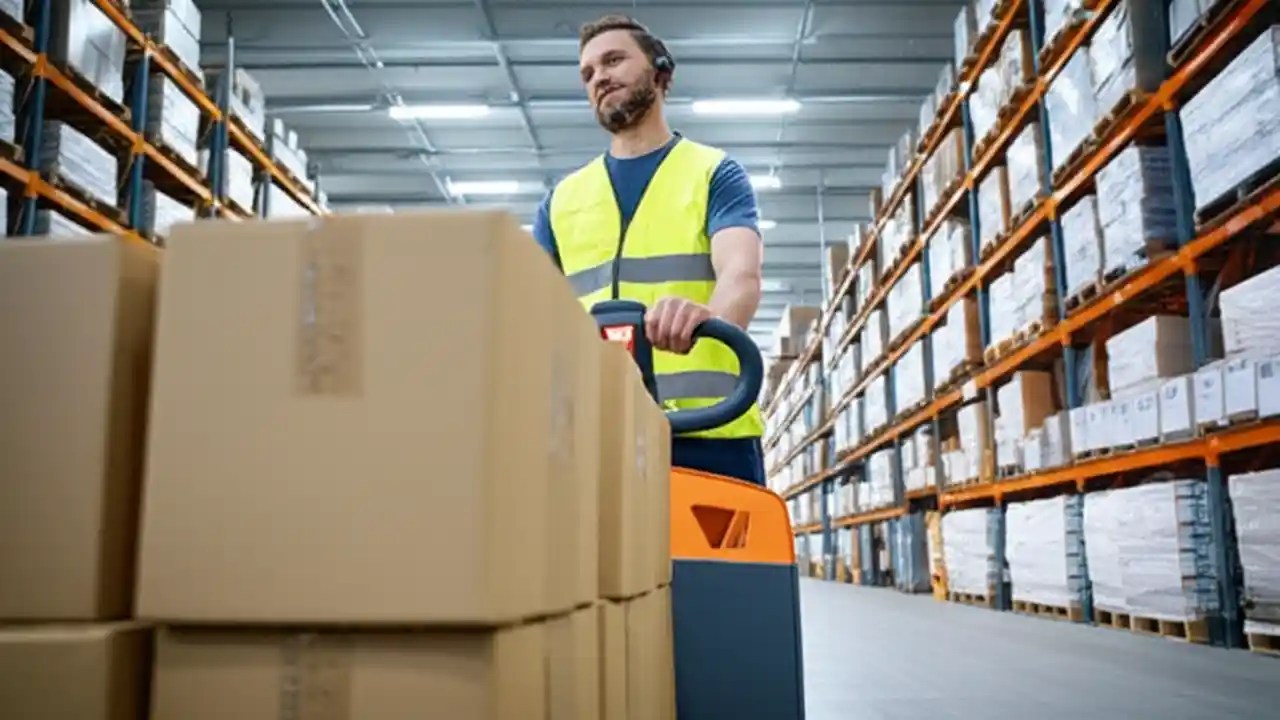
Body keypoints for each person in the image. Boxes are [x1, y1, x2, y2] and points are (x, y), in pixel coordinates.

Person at [531, 14, 769, 486]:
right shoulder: (561, 201)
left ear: (661, 71)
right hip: (599, 440)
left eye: (613, 60)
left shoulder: (713, 173)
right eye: (587, 73)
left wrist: (708, 319)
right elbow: (532, 315)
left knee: (715, 563)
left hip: (710, 432)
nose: (599, 77)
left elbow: (741, 275)